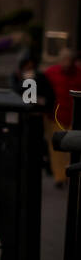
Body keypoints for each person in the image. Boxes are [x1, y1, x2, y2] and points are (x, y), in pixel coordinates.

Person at [43, 48, 81, 188]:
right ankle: (60, 177)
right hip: (55, 115)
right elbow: (40, 86)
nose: (66, 63)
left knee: (73, 146)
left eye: (69, 60)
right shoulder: (50, 73)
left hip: (74, 116)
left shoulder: (79, 73)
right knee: (56, 148)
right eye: (64, 60)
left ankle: (71, 174)